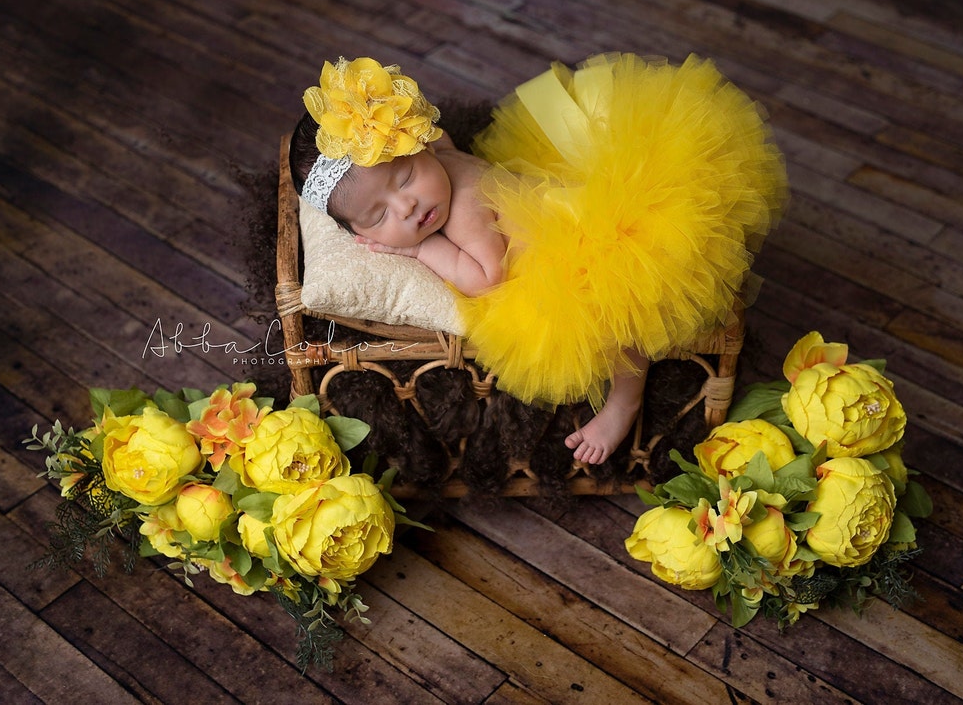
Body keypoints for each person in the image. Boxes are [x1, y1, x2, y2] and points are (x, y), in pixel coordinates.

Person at [290, 54, 787, 466]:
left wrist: (420, 249)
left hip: (585, 245)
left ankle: (624, 399)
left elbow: (487, 277)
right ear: (356, 232)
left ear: (419, 144)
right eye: (379, 215)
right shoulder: (439, 155)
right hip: (563, 203)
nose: (409, 208)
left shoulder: (462, 212)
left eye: (405, 179)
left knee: (617, 312)